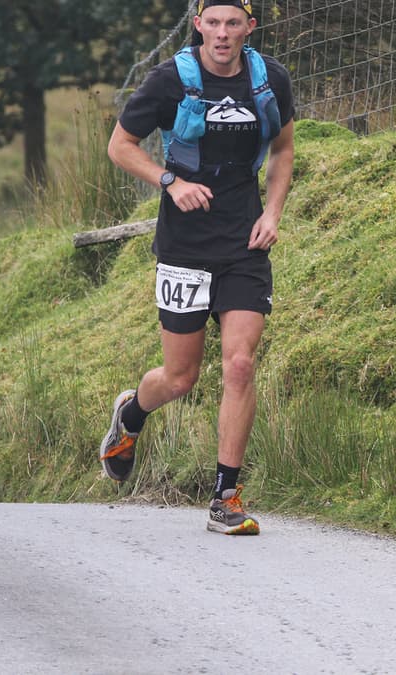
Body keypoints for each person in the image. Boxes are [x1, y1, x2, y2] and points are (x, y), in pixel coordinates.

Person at [102, 0, 295, 534]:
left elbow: (282, 150)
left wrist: (274, 213)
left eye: (234, 23)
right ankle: (132, 413)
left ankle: (225, 497)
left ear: (249, 28)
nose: (223, 33)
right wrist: (171, 182)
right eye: (213, 23)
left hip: (244, 242)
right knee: (181, 377)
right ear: (199, 27)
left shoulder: (269, 78)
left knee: (239, 364)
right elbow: (120, 146)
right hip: (184, 246)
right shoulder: (170, 81)